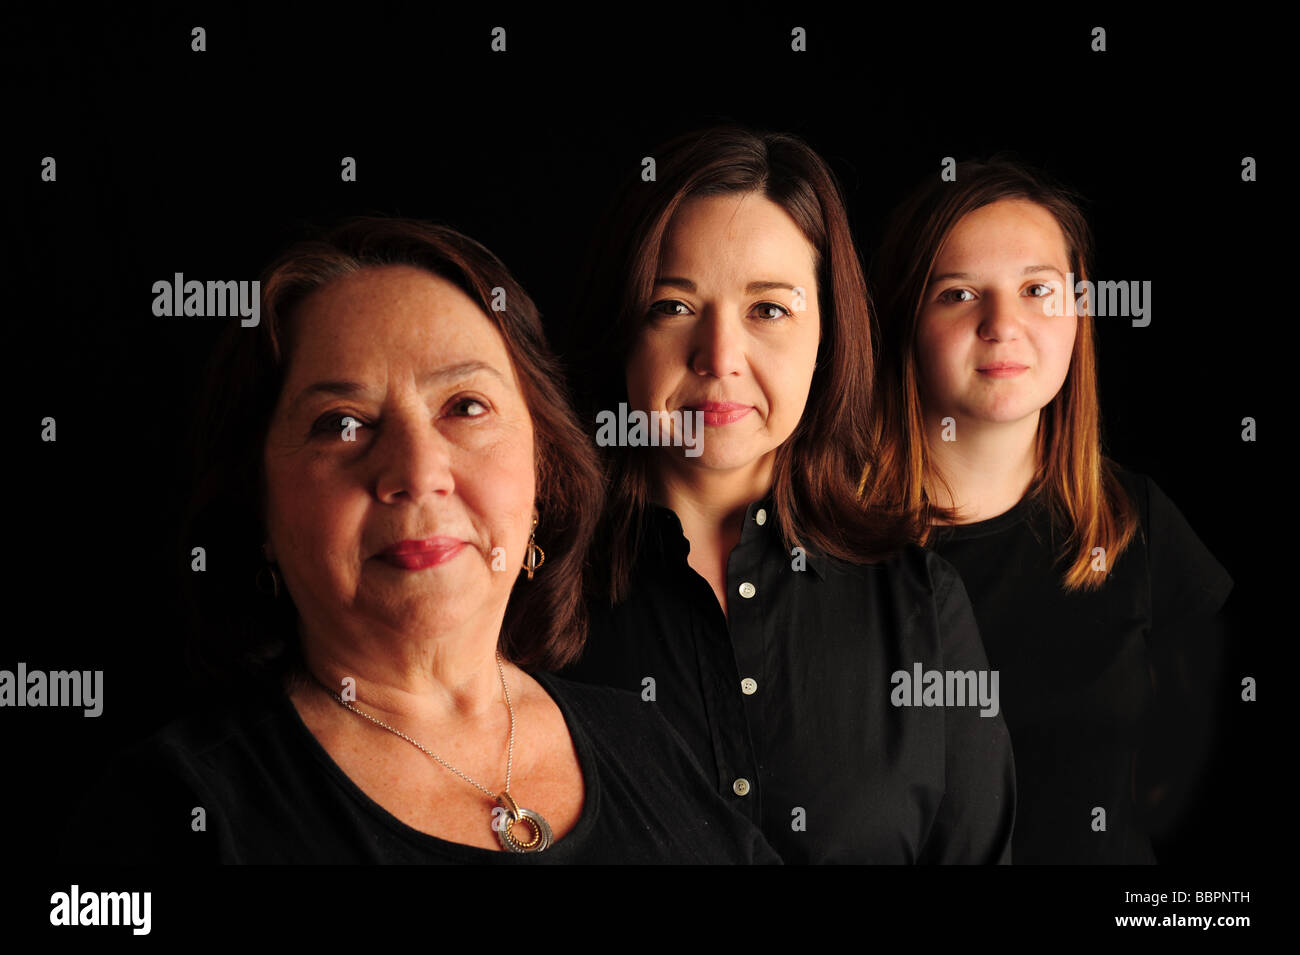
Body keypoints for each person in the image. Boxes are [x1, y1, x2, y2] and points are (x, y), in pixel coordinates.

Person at [58, 217, 780, 864]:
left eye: (465, 406)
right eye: (342, 423)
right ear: (261, 514)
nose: (417, 471)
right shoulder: (176, 810)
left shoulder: (648, 743)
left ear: (543, 479)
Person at [560, 126, 1015, 863]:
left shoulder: (921, 606)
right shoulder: (529, 587)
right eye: (672, 306)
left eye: (768, 309)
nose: (720, 356)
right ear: (624, 329)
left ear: (829, 334)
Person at [860, 160, 1233, 863]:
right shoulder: (831, 543)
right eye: (959, 293)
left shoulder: (1136, 522)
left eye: (1038, 289)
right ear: (906, 318)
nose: (1003, 323)